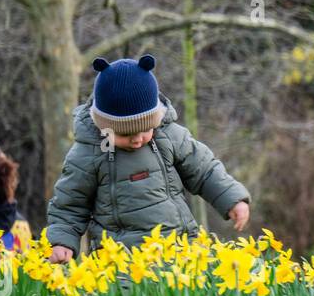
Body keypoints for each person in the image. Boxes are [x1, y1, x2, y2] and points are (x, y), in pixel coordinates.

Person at [45, 53, 252, 263]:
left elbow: (204, 170)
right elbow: (70, 203)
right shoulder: (88, 152)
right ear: (102, 125)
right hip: (121, 261)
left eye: (145, 129)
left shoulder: (169, 135)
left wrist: (231, 198)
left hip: (179, 248)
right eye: (125, 134)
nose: (137, 139)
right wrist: (61, 241)